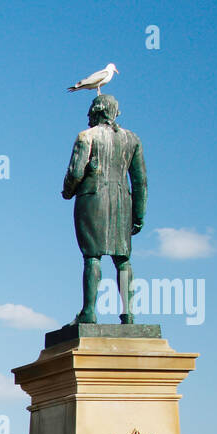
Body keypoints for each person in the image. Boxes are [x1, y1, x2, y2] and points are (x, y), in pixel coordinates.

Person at [61, 93, 146, 324]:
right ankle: (128, 313)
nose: (87, 115)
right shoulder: (132, 139)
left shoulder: (87, 136)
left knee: (92, 256)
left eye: (90, 110)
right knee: (123, 259)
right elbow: (139, 181)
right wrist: (138, 214)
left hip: (93, 199)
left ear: (98, 111)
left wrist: (67, 191)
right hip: (121, 202)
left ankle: (89, 311)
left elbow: (76, 172)